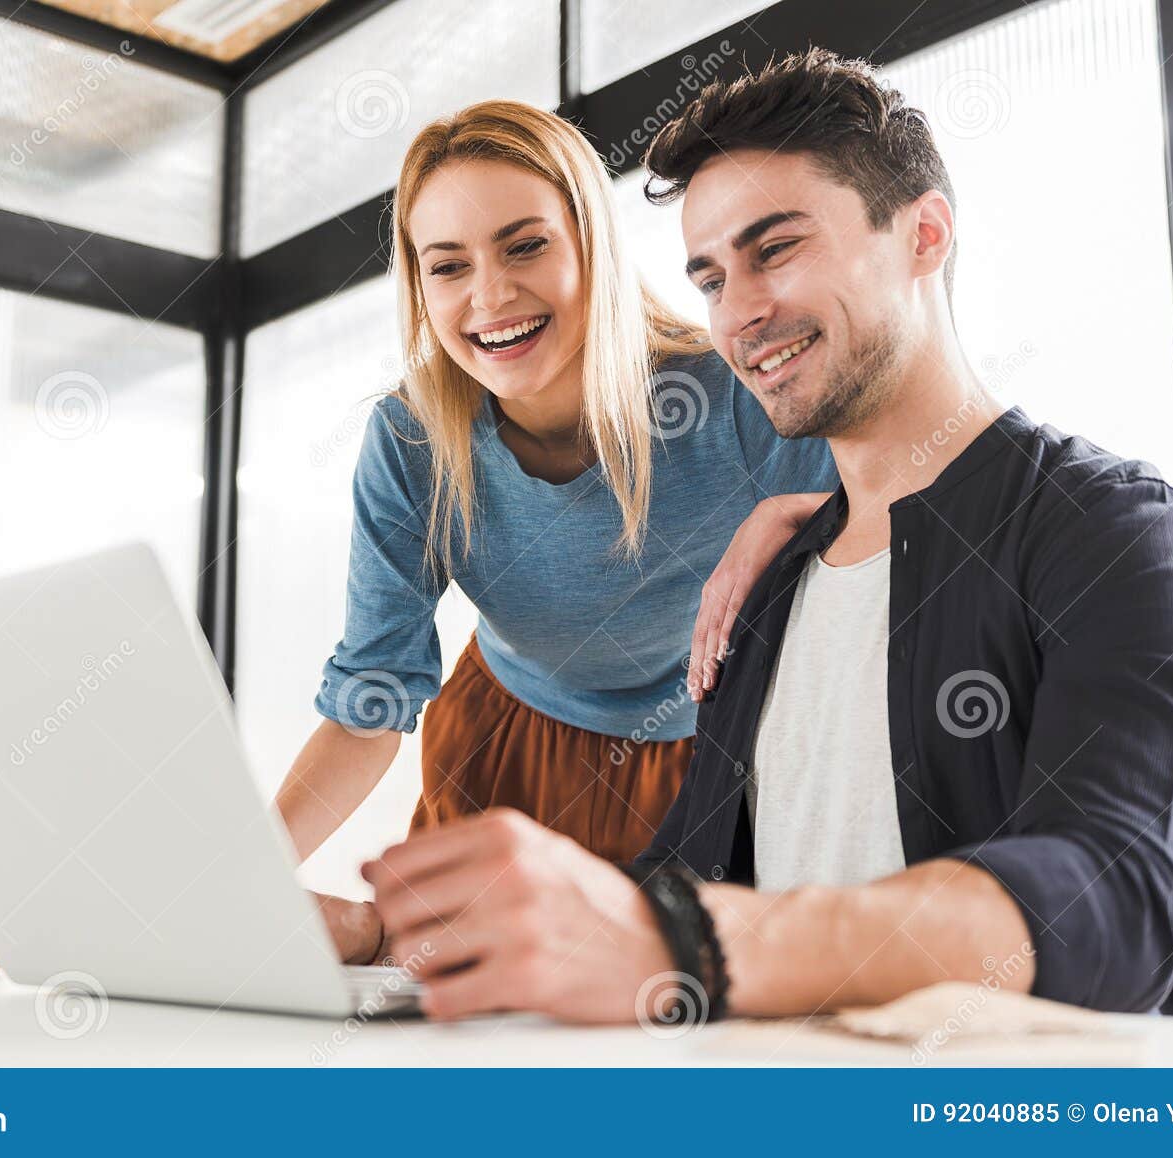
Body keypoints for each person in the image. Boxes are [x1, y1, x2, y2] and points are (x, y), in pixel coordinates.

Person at [363, 50, 1173, 1020]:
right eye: (709, 276)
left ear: (924, 235)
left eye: (775, 249)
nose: (738, 312)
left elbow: (1111, 905)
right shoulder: (766, 581)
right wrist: (389, 934)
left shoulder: (1119, 535)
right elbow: (678, 876)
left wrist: (688, 944)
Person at [278, 100, 839, 964]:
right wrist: (248, 878)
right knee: (457, 1023)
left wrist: (801, 513)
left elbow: (880, 558)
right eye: (448, 266)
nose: (490, 295)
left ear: (591, 243)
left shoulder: (731, 397)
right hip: (503, 744)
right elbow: (370, 703)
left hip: (703, 762)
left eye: (525, 245)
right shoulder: (412, 441)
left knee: (675, 1025)